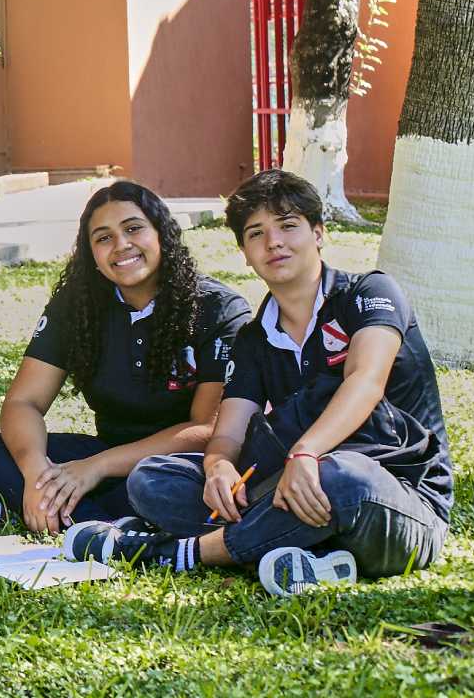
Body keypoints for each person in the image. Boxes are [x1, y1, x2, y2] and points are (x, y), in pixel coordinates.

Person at [69, 170, 453, 596]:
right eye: (257, 233)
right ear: (244, 253)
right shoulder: (254, 338)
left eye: (288, 226)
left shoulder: (369, 293)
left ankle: (184, 553)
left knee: (341, 476)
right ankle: (313, 559)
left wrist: (306, 453)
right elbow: (228, 431)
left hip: (395, 494)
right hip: (290, 487)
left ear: (318, 233)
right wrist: (218, 468)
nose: (274, 242)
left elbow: (365, 380)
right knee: (152, 478)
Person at [0, 181, 250, 532]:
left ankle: (95, 525)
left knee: (150, 486)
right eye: (103, 238)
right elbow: (23, 402)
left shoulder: (217, 308)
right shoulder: (78, 306)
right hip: (111, 453)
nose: (121, 245)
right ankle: (112, 529)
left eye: (134, 228)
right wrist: (37, 475)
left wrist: (96, 467)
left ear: (162, 234)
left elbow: (207, 428)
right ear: (90, 252)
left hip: (181, 465)